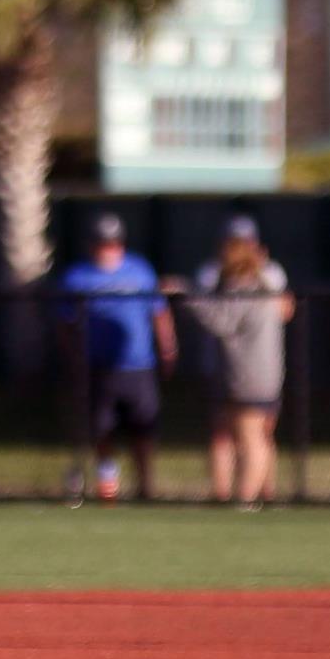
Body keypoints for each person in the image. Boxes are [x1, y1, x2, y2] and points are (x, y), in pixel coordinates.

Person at [57, 213, 177, 500]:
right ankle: (107, 484)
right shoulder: (77, 278)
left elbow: (159, 312)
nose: (107, 249)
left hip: (138, 366)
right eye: (101, 243)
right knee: (102, 429)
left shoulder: (140, 271)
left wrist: (168, 347)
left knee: (143, 427)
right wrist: (72, 357)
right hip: (99, 366)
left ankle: (146, 485)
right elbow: (64, 323)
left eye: (112, 243)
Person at [176, 215, 293, 507]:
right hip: (263, 372)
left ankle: (245, 499)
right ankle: (248, 496)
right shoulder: (262, 281)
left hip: (248, 374)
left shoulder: (248, 285)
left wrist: (186, 296)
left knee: (252, 437)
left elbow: (222, 321)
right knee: (253, 435)